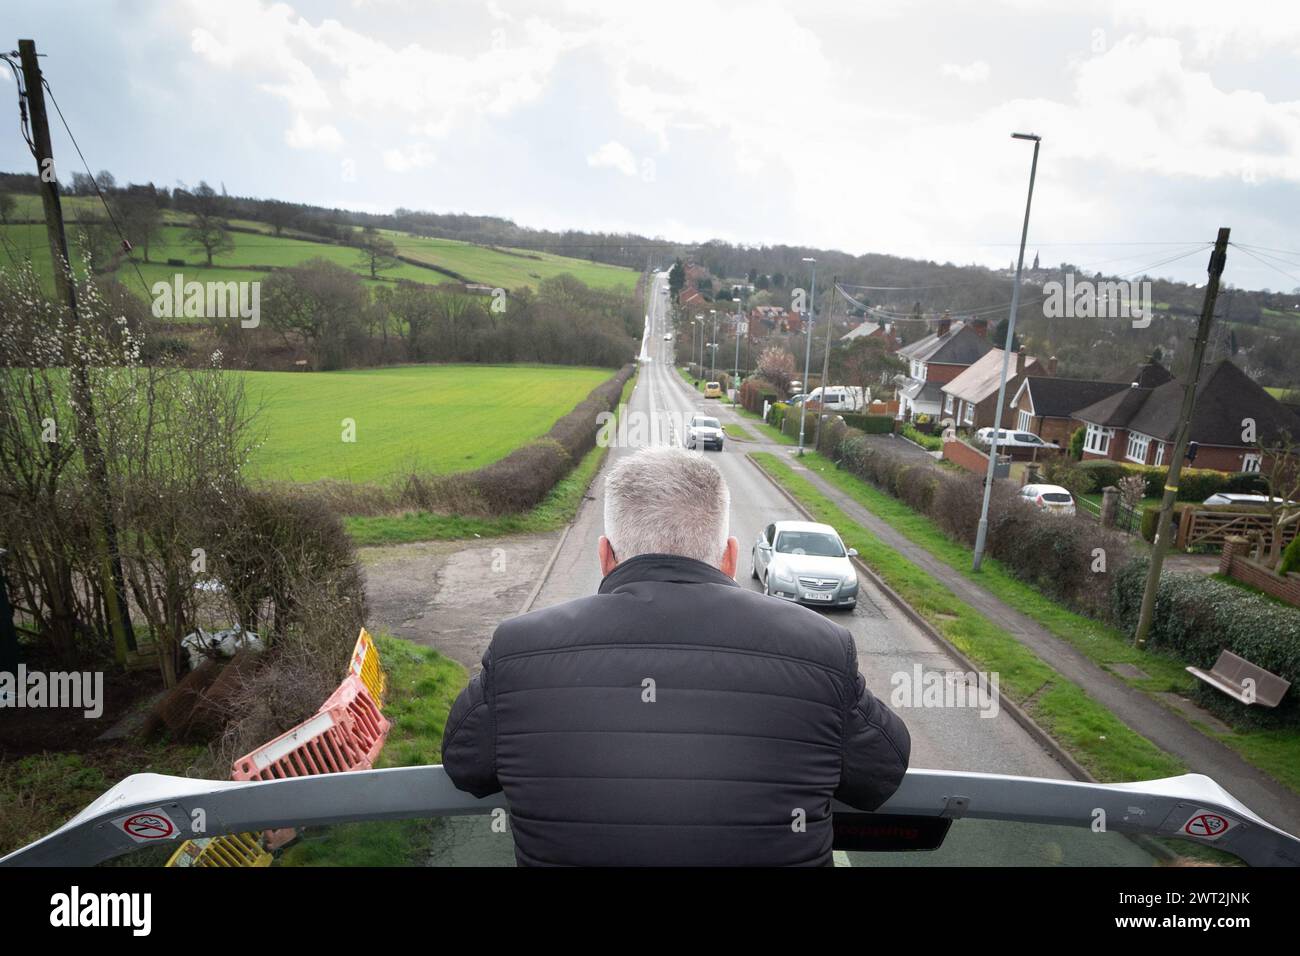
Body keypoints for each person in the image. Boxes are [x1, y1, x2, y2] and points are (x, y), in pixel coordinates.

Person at [442, 445, 910, 865]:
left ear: (605, 557)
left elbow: (466, 768)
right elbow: (881, 775)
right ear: (729, 558)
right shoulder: (821, 648)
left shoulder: (519, 650)